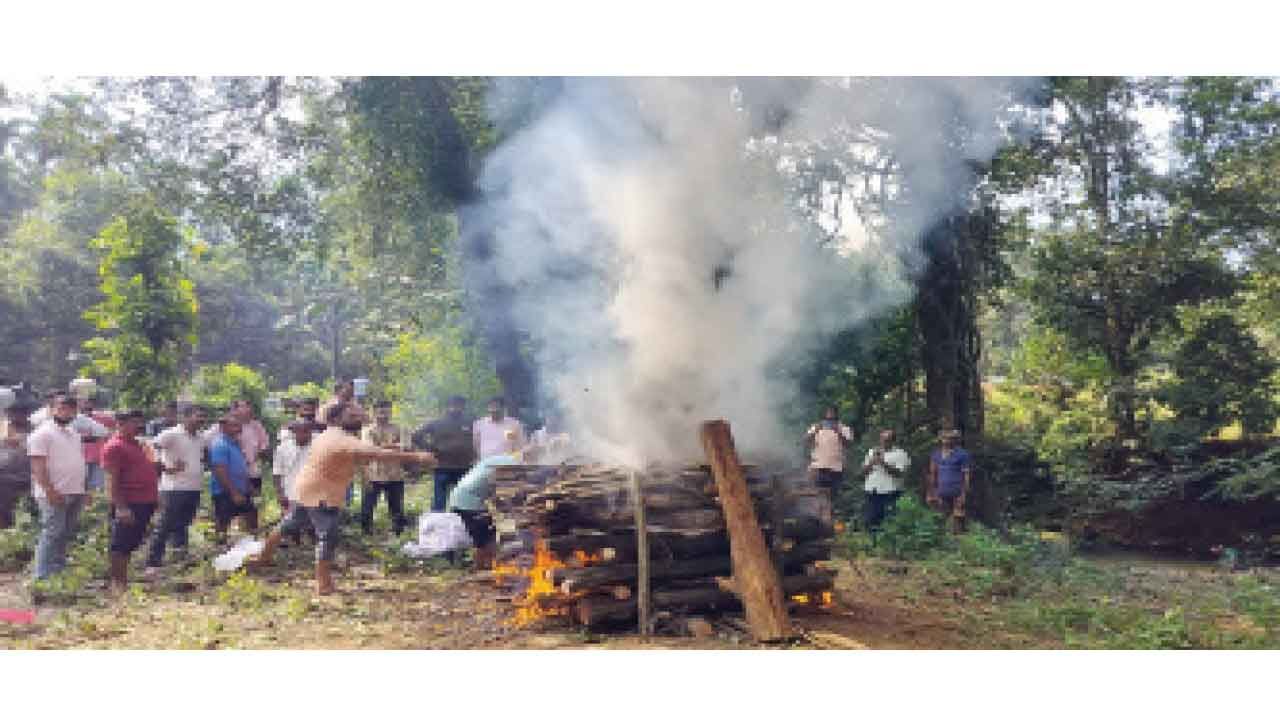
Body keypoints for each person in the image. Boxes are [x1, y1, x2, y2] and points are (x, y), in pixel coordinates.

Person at [248, 402, 434, 595]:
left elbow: (366, 452)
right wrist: (417, 457)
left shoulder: (330, 435)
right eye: (351, 416)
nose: (358, 418)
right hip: (322, 494)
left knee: (289, 524)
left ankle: (264, 557)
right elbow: (375, 453)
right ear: (336, 419)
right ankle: (323, 583)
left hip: (307, 489)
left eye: (358, 415)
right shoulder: (341, 439)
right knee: (328, 536)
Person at [27, 393, 89, 581]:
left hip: (75, 491)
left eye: (71, 408)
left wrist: (83, 489)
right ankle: (42, 576)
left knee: (65, 533)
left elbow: (78, 462)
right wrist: (49, 490)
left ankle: (58, 571)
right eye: (62, 407)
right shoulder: (42, 434)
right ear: (52, 409)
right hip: (53, 492)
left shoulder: (74, 434)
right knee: (53, 533)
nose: (66, 411)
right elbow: (38, 466)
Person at [144, 405, 209, 575]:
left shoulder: (201, 437)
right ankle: (153, 562)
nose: (202, 420)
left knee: (183, 525)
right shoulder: (172, 433)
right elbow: (149, 447)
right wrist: (165, 467)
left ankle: (179, 559)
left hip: (193, 487)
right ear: (186, 417)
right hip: (173, 488)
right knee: (165, 524)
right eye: (198, 416)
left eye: (203, 417)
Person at [101, 409, 160, 593]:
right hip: (129, 501)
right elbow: (113, 480)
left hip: (144, 500)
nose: (139, 426)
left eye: (141, 422)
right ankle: (118, 583)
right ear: (121, 424)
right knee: (121, 543)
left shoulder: (138, 444)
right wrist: (121, 507)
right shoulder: (114, 447)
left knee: (133, 541)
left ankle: (122, 580)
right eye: (134, 422)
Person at [447, 438, 521, 571]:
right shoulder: (511, 465)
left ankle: (486, 566)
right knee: (485, 538)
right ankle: (481, 568)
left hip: (460, 497)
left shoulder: (500, 459)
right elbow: (498, 487)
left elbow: (493, 488)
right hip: (468, 503)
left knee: (487, 535)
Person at [414, 395, 475, 512]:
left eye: (459, 405)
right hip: (442, 467)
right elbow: (416, 436)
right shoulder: (436, 422)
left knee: (462, 500)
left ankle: (460, 525)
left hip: (464, 467)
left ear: (463, 407)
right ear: (447, 406)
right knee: (439, 502)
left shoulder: (470, 422)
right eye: (453, 404)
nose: (456, 407)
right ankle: (437, 525)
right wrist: (431, 448)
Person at [359, 400, 408, 535]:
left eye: (387, 412)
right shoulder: (367, 430)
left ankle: (399, 533)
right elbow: (369, 449)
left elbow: (406, 447)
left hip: (395, 473)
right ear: (374, 412)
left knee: (396, 507)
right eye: (380, 412)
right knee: (367, 507)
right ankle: (366, 533)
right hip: (373, 474)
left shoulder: (399, 428)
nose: (384, 415)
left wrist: (381, 446)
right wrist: (393, 446)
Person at [208, 414, 256, 545]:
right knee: (223, 522)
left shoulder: (235, 443)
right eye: (234, 425)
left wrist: (248, 484)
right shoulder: (219, 444)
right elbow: (220, 470)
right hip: (225, 492)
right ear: (223, 427)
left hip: (241, 490)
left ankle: (252, 545)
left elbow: (241, 466)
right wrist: (233, 492)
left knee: (251, 516)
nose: (238, 428)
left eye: (239, 425)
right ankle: (219, 548)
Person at [272, 419, 316, 544]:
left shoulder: (318, 447)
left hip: (312, 493)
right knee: (291, 523)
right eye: (299, 431)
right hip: (290, 492)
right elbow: (277, 472)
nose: (303, 434)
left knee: (312, 523)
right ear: (294, 432)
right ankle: (294, 542)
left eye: (306, 431)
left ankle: (313, 543)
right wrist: (280, 493)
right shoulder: (283, 448)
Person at [860, 429, 910, 537]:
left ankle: (887, 544)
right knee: (871, 520)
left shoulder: (900, 454)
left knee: (888, 520)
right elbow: (862, 472)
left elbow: (899, 473)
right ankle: (871, 543)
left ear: (893, 441)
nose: (884, 442)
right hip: (872, 490)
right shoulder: (872, 451)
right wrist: (872, 462)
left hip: (890, 491)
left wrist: (883, 463)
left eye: (887, 440)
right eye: (882, 439)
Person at [1, 399, 38, 529]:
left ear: (26, 414)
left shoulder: (35, 429)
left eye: (20, 413)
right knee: (4, 508)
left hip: (27, 475)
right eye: (12, 413)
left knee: (25, 508)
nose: (16, 416)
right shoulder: (3, 427)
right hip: (4, 477)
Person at [805, 405, 853, 506]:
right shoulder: (816, 427)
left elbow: (848, 444)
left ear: (837, 416)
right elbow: (806, 441)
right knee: (817, 495)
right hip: (818, 467)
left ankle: (833, 517)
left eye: (832, 415)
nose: (829, 418)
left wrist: (838, 431)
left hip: (836, 468)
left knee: (834, 496)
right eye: (828, 415)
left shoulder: (844, 428)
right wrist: (815, 431)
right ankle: (817, 517)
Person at [927, 429, 972, 533]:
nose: (947, 440)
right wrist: (930, 492)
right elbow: (932, 473)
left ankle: (960, 542)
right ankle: (941, 544)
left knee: (958, 522)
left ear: (955, 440)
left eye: (950, 438)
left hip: (957, 491)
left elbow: (966, 475)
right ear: (940, 439)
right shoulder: (936, 454)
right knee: (939, 519)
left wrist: (964, 493)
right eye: (944, 438)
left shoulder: (962, 454)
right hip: (940, 491)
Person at [230, 399, 270, 498]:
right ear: (234, 410)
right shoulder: (228, 426)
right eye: (243, 406)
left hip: (253, 472)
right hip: (234, 474)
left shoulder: (256, 426)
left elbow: (265, 445)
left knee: (254, 502)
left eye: (248, 406)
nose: (247, 409)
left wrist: (256, 456)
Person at [78, 395, 117, 494]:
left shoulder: (103, 418)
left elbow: (114, 428)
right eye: (83, 402)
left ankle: (96, 504)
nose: (86, 405)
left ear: (93, 404)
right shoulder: (75, 419)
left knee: (97, 485)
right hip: (80, 456)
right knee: (81, 484)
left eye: (88, 402)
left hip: (99, 456)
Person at [473, 396, 524, 461]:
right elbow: (476, 445)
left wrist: (516, 463)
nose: (493, 412)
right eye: (491, 409)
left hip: (506, 465)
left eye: (496, 409)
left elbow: (518, 446)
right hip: (485, 464)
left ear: (503, 409)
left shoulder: (513, 425)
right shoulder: (480, 424)